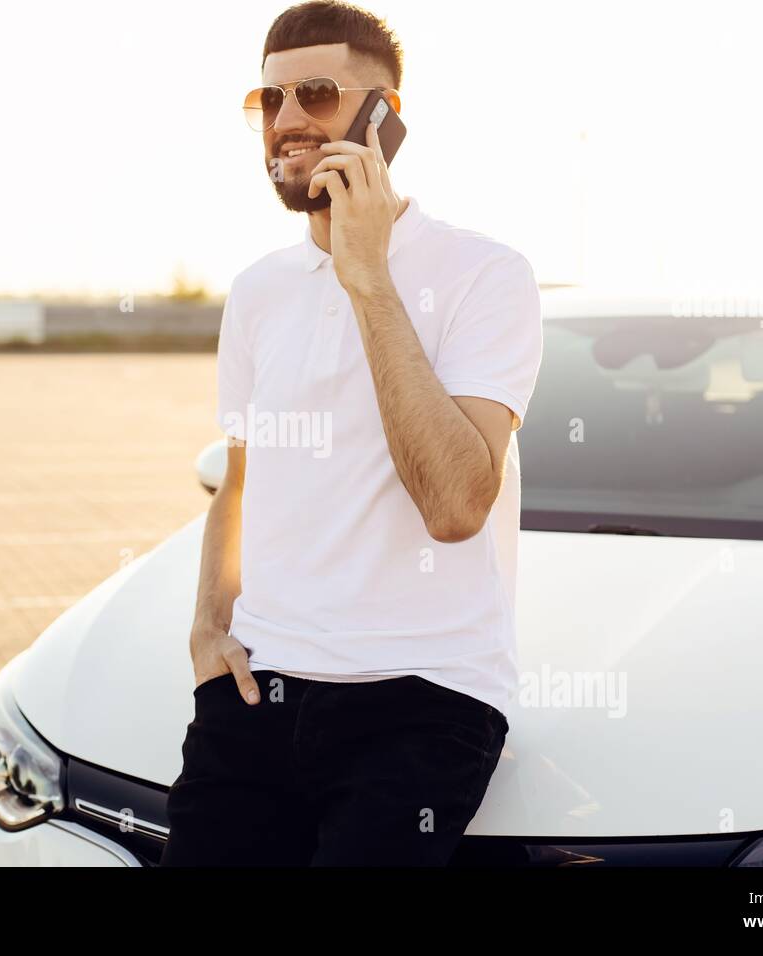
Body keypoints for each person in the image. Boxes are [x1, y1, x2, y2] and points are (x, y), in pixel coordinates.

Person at [161, 0, 544, 866]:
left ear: (384, 117)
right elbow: (242, 476)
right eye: (270, 100)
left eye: (319, 94)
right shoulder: (258, 290)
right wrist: (207, 627)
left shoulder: (486, 275)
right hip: (257, 693)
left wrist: (366, 275)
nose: (288, 121)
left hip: (420, 700)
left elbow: (454, 505)